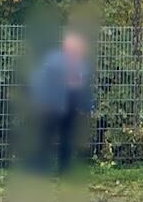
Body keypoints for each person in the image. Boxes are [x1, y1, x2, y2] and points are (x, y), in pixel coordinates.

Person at [29, 29, 95, 174]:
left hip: (70, 106)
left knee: (66, 138)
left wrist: (88, 105)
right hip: (51, 105)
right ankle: (40, 168)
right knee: (46, 137)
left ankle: (64, 170)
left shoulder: (81, 64)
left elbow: (83, 87)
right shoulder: (53, 60)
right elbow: (42, 80)